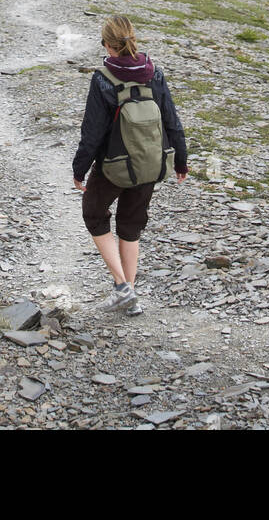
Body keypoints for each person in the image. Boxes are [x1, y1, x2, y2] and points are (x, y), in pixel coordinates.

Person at [72, 15, 188, 314]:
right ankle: (130, 296)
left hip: (113, 165)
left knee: (94, 214)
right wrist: (181, 161)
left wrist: (79, 168)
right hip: (150, 163)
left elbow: (92, 132)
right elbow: (172, 120)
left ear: (109, 45)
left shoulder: (103, 79)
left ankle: (123, 287)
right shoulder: (155, 74)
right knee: (131, 224)